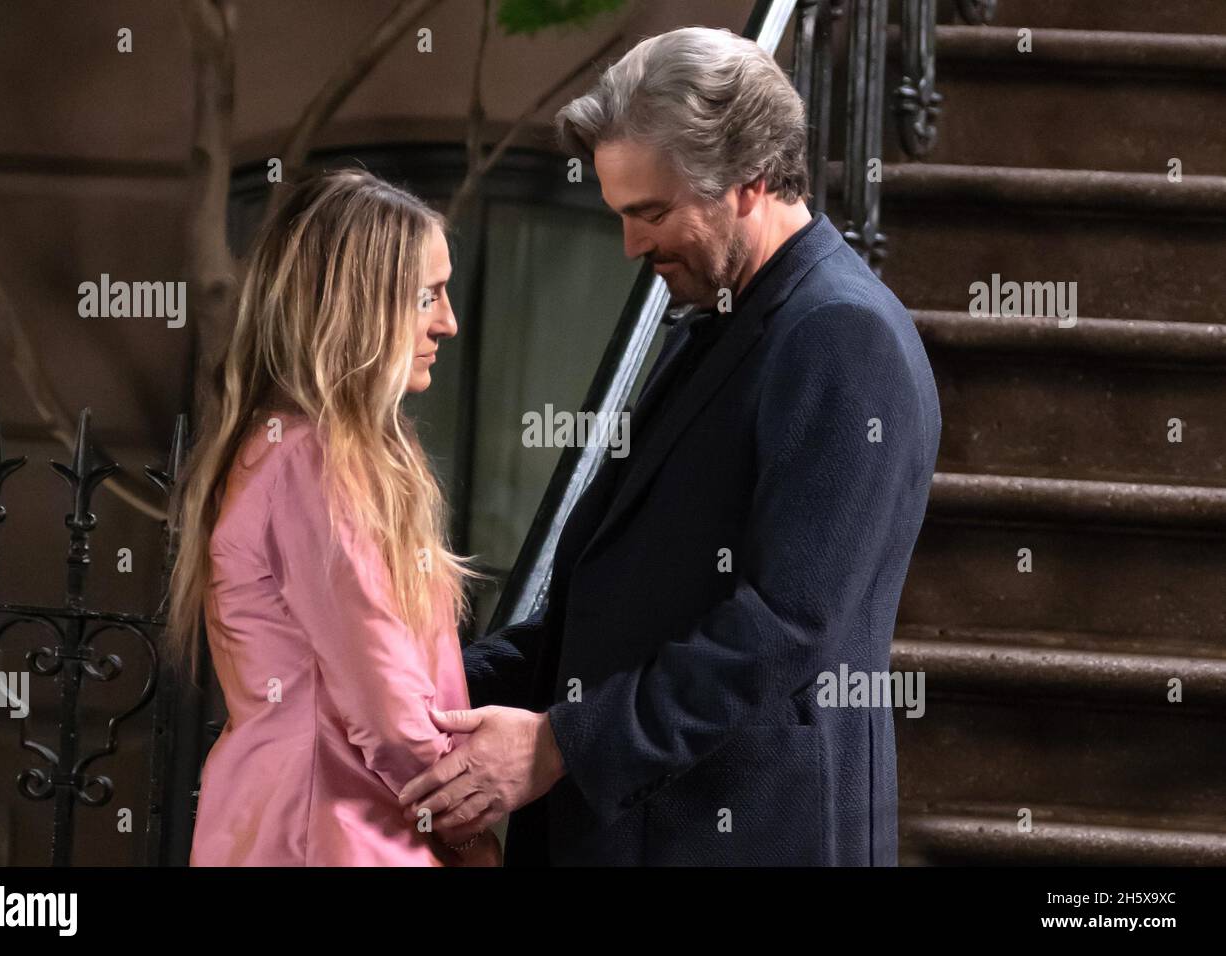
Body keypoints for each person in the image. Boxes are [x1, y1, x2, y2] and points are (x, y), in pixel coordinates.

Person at [397, 26, 942, 865]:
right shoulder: (728, 314)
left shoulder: (839, 334)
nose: (631, 245)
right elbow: (619, 606)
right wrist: (429, 691)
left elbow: (787, 624)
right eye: (620, 214)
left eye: (651, 213)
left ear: (751, 177)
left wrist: (558, 745)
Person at [166, 168, 500, 866]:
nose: (448, 321)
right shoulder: (308, 460)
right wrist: (470, 830)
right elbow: (387, 705)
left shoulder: (307, 452)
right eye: (425, 296)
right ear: (356, 305)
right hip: (330, 839)